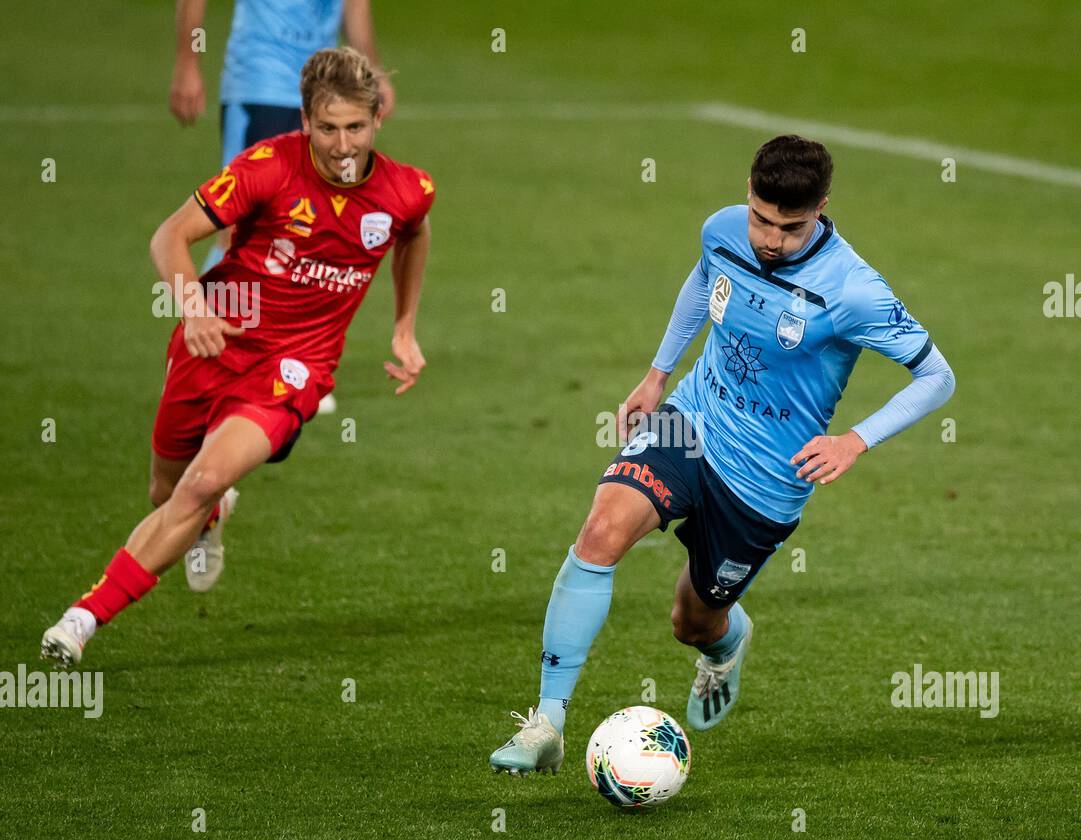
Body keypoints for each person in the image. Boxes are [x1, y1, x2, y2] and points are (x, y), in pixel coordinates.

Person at [490, 135, 956, 774]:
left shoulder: (855, 290)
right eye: (762, 218)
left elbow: (938, 377)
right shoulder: (723, 230)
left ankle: (726, 642)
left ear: (822, 207)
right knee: (600, 531)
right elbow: (706, 277)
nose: (770, 239)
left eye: (790, 228)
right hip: (693, 422)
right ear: (748, 194)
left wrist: (855, 440)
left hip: (765, 481)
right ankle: (547, 722)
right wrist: (658, 374)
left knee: (693, 621)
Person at [41, 47, 434, 668]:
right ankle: (211, 517)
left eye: (355, 127)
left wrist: (404, 327)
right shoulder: (265, 167)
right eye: (327, 128)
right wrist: (194, 307)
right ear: (304, 121)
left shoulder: (407, 190)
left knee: (200, 480)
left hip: (293, 369)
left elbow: (412, 234)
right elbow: (169, 236)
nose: (341, 144)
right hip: (213, 343)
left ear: (377, 120)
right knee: (165, 491)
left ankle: (83, 616)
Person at [170, 0, 396, 413]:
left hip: (324, 95)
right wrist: (188, 61)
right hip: (261, 84)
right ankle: (208, 360)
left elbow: (355, 5)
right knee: (238, 230)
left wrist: (372, 75)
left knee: (309, 226)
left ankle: (289, 361)